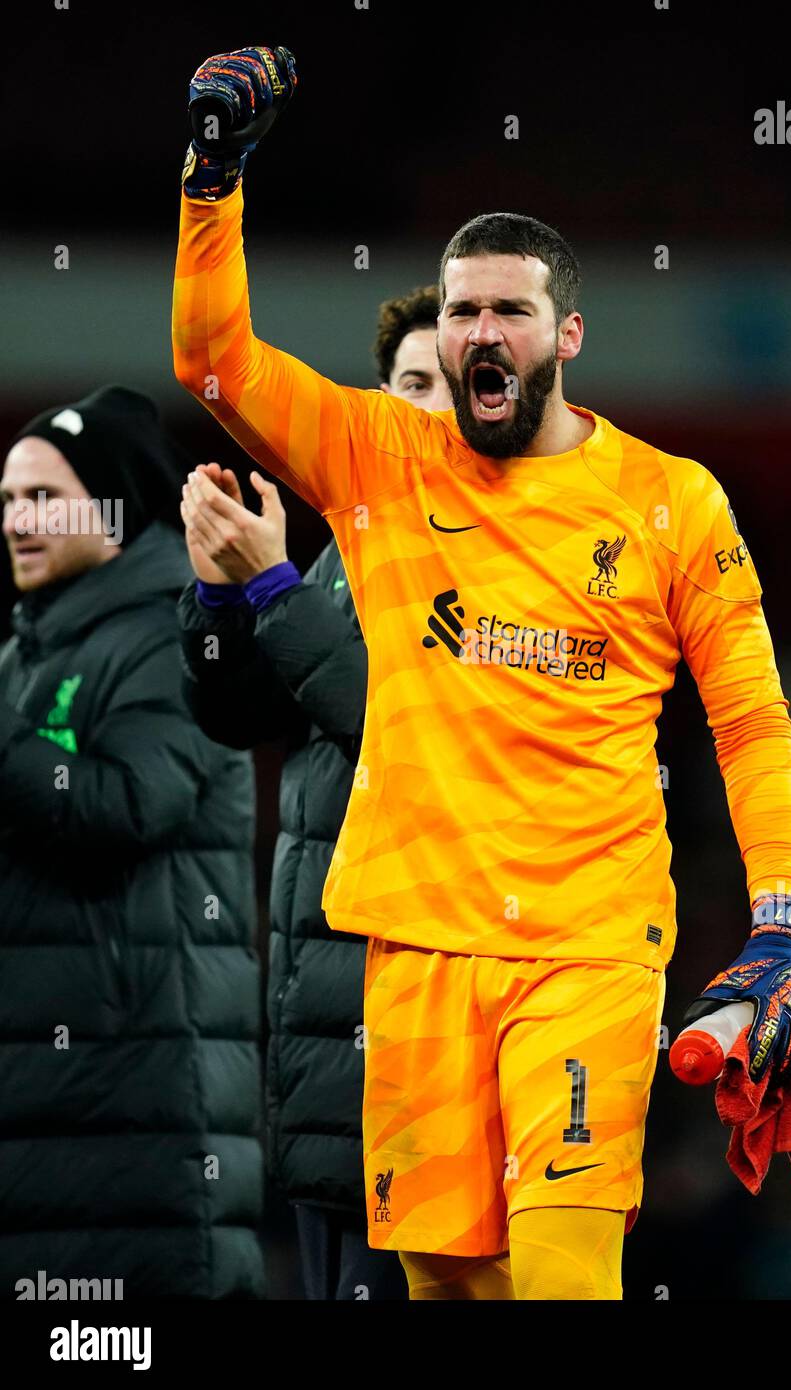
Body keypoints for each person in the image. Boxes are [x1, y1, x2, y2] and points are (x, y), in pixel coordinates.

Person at [171, 47, 791, 1301]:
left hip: (588, 947)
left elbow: (749, 717)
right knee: (446, 1287)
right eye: (460, 310)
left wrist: (783, 920)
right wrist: (213, 183)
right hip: (415, 943)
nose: (479, 333)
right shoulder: (384, 457)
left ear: (565, 333)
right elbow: (214, 361)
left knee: (562, 1276)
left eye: (508, 311)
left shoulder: (672, 502)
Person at [177, 287, 450, 1301]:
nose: (425, 407)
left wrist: (272, 590)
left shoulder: (490, 560)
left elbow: (396, 725)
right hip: (321, 1025)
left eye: (447, 388)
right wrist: (218, 593)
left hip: (418, 1038)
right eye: (407, 384)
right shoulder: (348, 540)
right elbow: (238, 710)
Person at [0, 385, 263, 1299]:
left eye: (42, 496)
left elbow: (123, 805)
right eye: (6, 501)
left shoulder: (173, 631)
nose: (17, 520)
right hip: (53, 1104)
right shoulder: (27, 655)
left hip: (140, 1102)